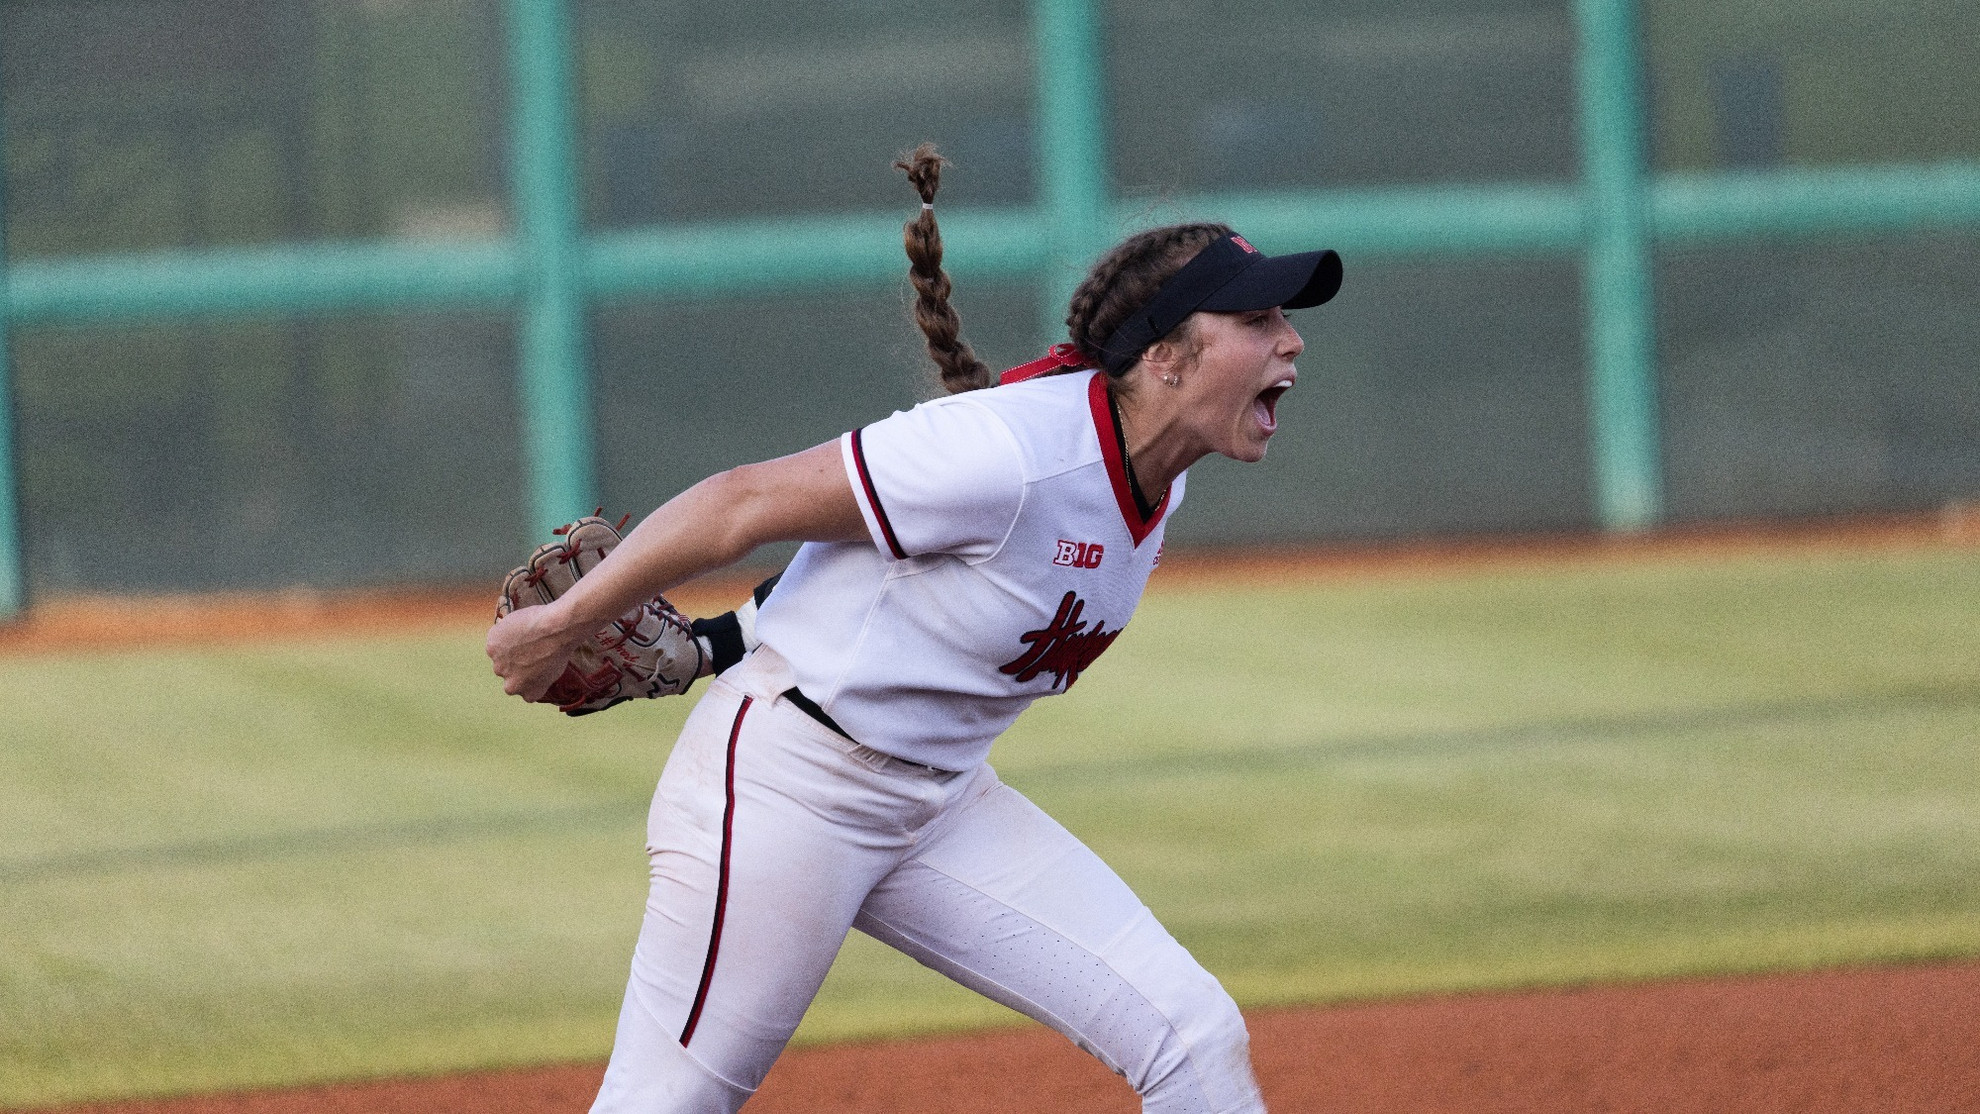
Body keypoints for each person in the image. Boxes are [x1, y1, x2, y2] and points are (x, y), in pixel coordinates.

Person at [486, 143, 1342, 1114]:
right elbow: (743, 501)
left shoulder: (1156, 474)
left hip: (941, 804)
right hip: (787, 790)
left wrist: (713, 642)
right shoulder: (1008, 450)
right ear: (1165, 356)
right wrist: (563, 623)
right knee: (665, 1102)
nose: (1291, 340)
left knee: (1192, 1035)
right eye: (1257, 319)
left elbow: (891, 574)